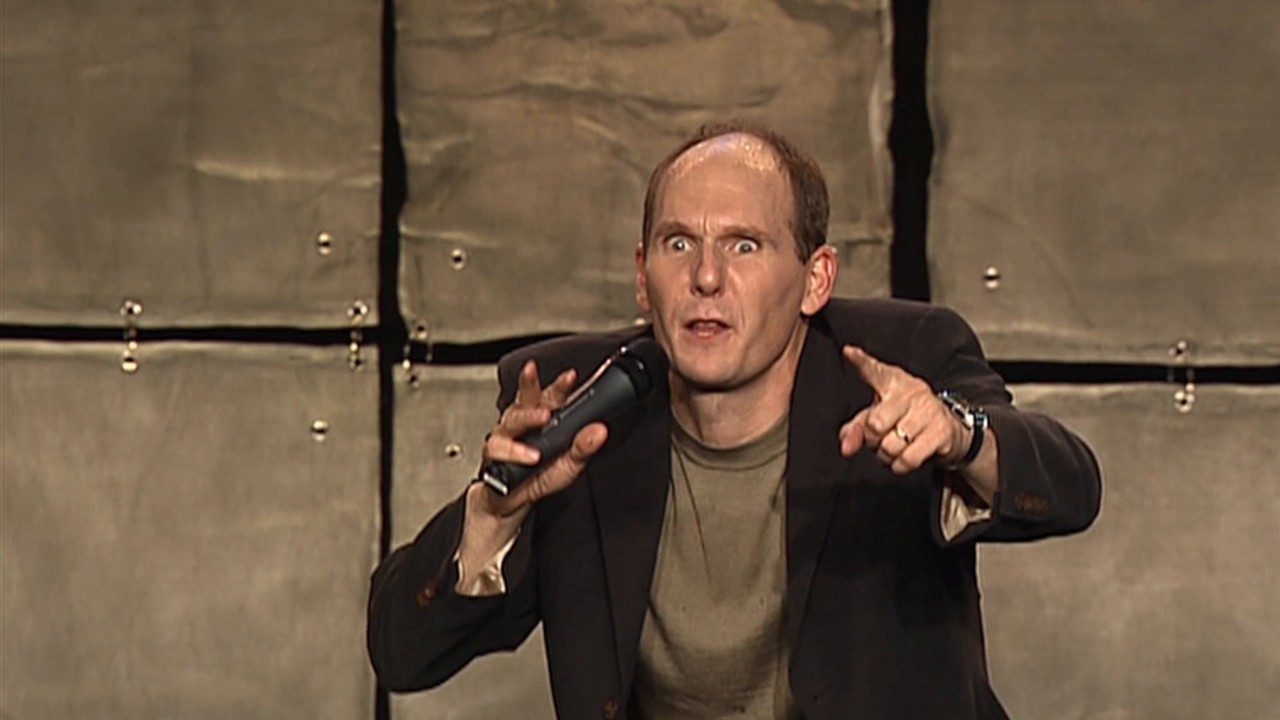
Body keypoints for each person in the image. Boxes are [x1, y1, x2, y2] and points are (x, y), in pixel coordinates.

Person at [367, 120, 1102, 720]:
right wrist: (491, 517)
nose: (706, 277)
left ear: (815, 279)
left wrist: (962, 437)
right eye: (678, 243)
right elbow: (402, 654)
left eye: (744, 245)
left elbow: (1072, 487)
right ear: (643, 277)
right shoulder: (583, 408)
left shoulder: (905, 360)